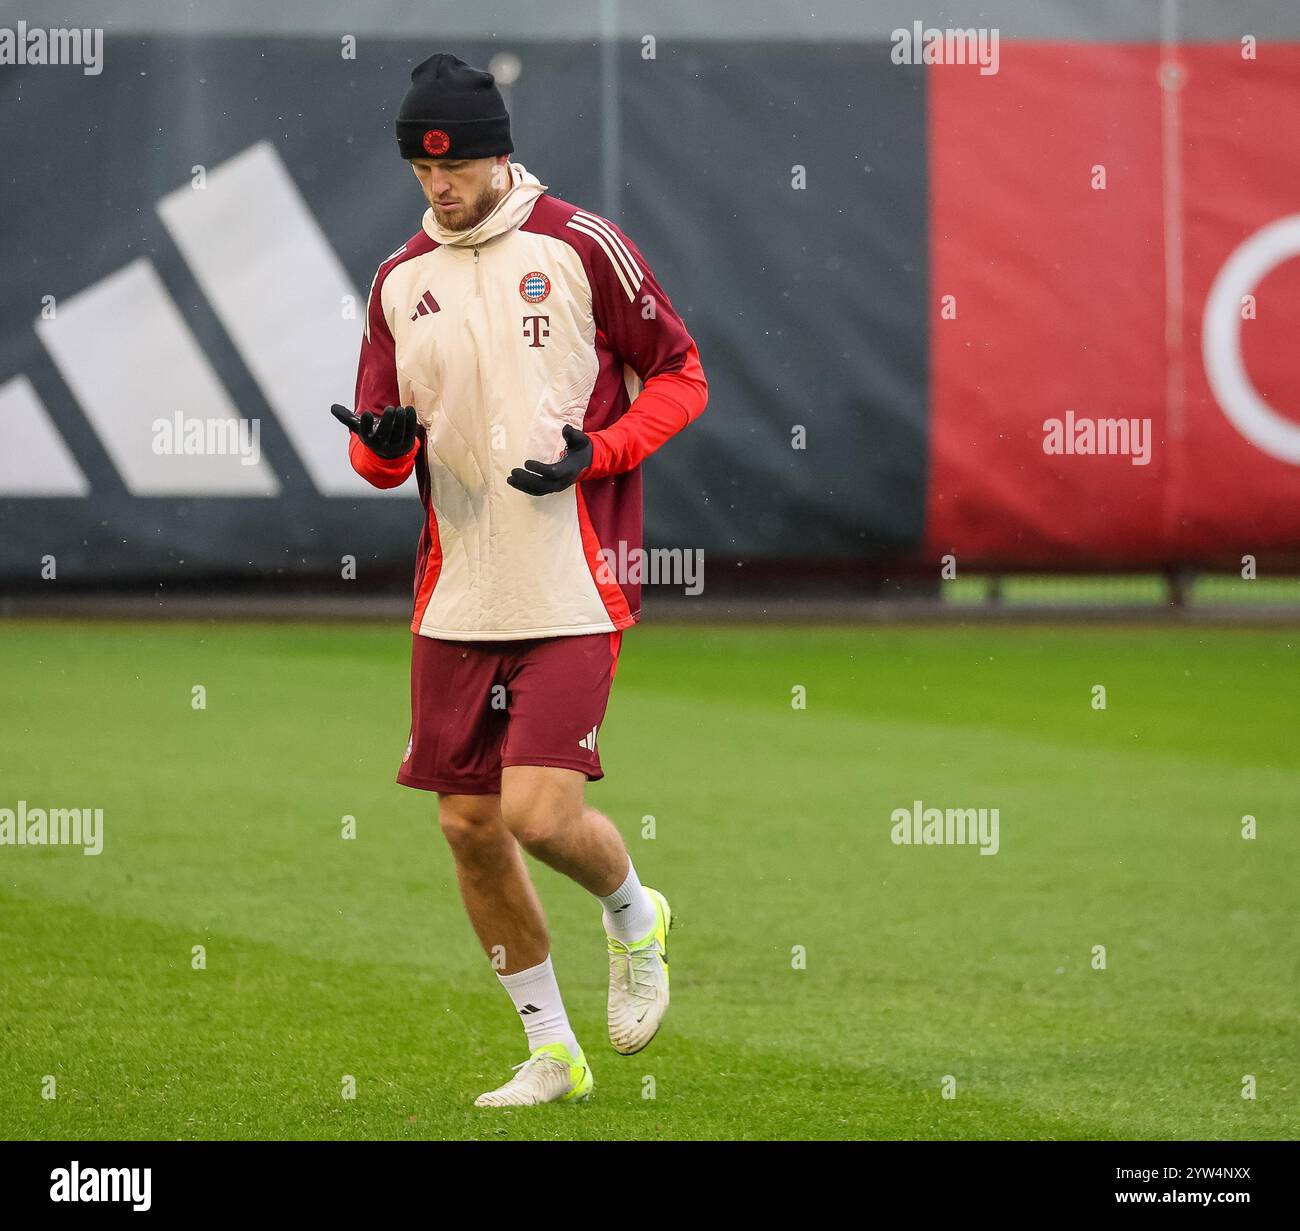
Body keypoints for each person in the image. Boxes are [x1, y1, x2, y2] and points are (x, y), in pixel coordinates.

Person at [332, 52, 709, 1107]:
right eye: (419, 167)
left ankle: (636, 915)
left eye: (453, 164)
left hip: (572, 578)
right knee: (466, 826)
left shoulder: (582, 244)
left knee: (538, 815)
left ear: (499, 152)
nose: (437, 186)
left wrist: (602, 451)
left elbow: (683, 374)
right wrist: (382, 446)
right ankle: (552, 1051)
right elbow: (376, 459)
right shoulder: (399, 281)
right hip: (457, 589)